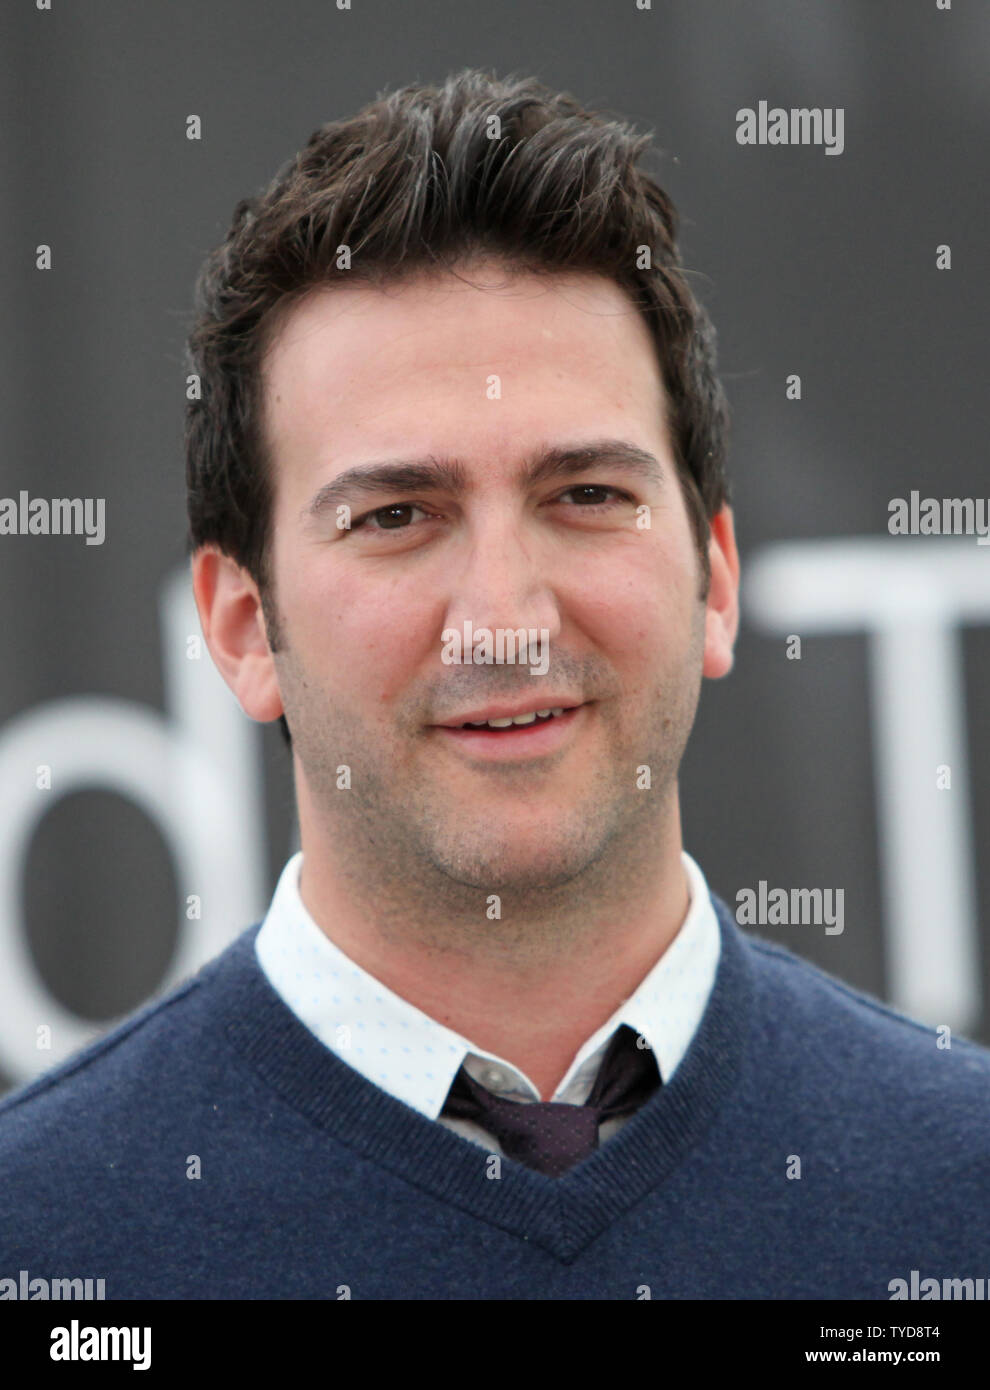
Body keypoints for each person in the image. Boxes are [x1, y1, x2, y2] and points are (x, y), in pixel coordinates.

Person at [1, 66, 988, 1302]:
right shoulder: (41, 1249)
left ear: (717, 579)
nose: (504, 621)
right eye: (398, 515)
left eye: (587, 495)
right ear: (245, 627)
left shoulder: (965, 1191)